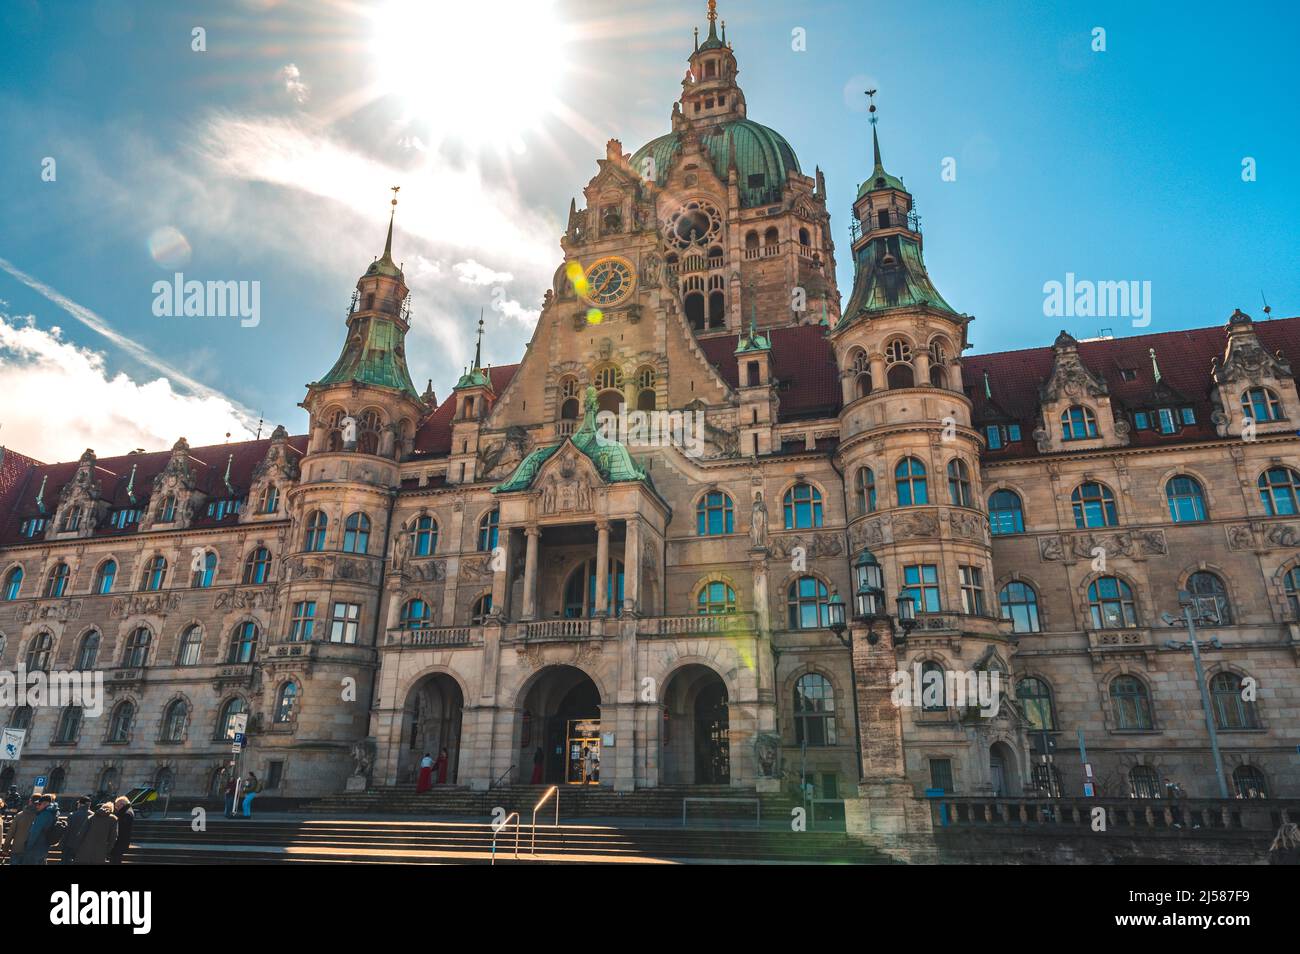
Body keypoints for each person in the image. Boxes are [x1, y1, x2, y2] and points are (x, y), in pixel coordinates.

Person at [12, 794, 59, 865]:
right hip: (43, 848)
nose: (37, 806)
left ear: (45, 804)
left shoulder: (43, 815)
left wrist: (28, 846)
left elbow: (34, 832)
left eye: (39, 804)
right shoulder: (53, 813)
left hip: (34, 849)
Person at [60, 796, 94, 865]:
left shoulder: (73, 815)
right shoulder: (93, 816)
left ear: (80, 804)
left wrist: (61, 844)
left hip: (69, 846)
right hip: (85, 847)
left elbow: (66, 831)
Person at [108, 795, 135, 864]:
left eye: (117, 806)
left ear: (122, 804)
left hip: (120, 841)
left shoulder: (126, 813)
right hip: (122, 841)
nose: (117, 808)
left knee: (115, 859)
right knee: (116, 859)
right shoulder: (127, 811)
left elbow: (121, 827)